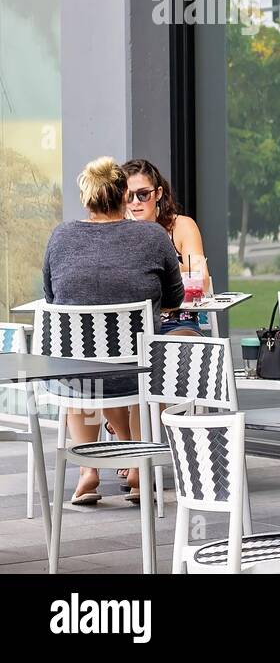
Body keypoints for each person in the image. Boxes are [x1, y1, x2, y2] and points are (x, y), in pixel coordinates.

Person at [42, 157, 184, 505]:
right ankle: (138, 466)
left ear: (86, 198)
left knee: (81, 361)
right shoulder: (152, 236)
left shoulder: (60, 236)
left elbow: (52, 297)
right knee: (147, 355)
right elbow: (175, 298)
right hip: (137, 377)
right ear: (124, 195)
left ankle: (88, 470)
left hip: (74, 380)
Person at [122, 157, 206, 334]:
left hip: (176, 323)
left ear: (158, 193)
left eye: (143, 194)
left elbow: (201, 281)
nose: (135, 202)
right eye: (128, 196)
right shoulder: (116, 231)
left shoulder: (181, 226)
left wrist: (157, 247)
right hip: (129, 326)